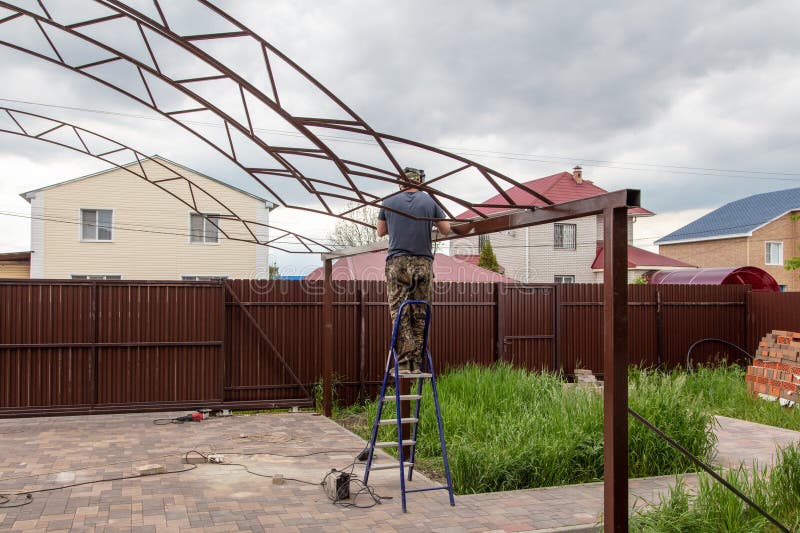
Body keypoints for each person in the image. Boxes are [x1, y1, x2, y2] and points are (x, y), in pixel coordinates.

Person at [376, 167, 451, 373]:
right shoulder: (430, 201)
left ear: (400, 182)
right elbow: (446, 229)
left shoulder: (389, 200)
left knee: (399, 311)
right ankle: (416, 363)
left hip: (397, 263)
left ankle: (404, 361)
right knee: (421, 311)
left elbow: (380, 231)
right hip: (423, 264)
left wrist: (398, 222)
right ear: (420, 181)